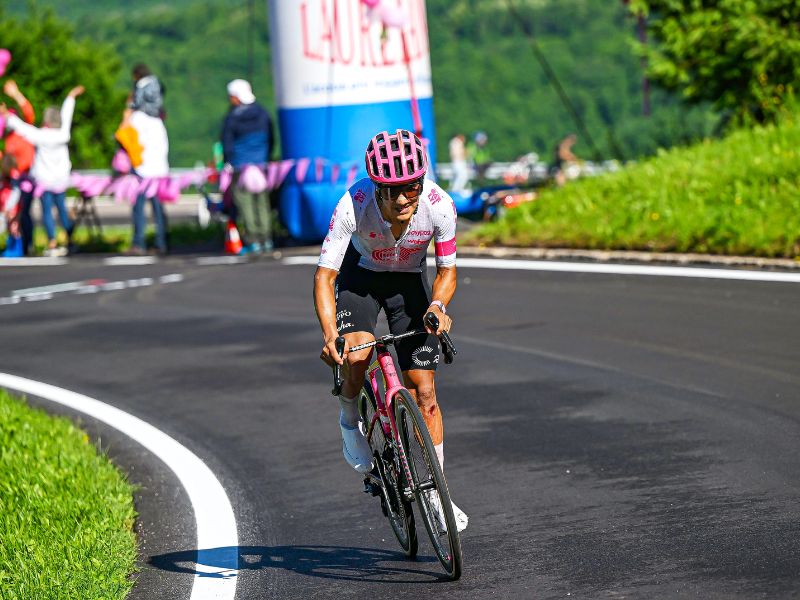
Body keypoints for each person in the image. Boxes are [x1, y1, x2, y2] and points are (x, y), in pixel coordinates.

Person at [313, 128, 468, 532]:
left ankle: (436, 495)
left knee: (426, 391)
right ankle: (350, 417)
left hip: (408, 283)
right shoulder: (353, 203)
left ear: (422, 181)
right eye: (390, 190)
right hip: (360, 281)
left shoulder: (439, 206)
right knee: (360, 351)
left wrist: (437, 305)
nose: (401, 198)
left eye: (410, 187)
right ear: (375, 186)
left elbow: (447, 272)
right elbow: (324, 277)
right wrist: (332, 336)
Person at [1, 85, 84, 257]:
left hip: (45, 181)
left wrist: (7, 116)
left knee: (47, 211)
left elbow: (22, 128)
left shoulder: (40, 136)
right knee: (61, 209)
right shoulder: (63, 135)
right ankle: (70, 240)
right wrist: (70, 97)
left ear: (46, 121)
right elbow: (67, 116)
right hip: (60, 180)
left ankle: (52, 242)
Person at [120, 69, 170, 256]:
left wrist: (126, 113)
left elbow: (124, 138)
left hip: (141, 171)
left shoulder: (137, 118)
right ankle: (161, 242)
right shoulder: (159, 120)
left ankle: (138, 243)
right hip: (159, 172)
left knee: (139, 208)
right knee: (158, 209)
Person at [221, 79, 274, 254]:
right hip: (261, 165)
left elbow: (227, 142)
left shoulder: (233, 117)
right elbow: (271, 137)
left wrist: (229, 160)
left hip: (240, 167)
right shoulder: (262, 113)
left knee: (246, 203)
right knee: (262, 202)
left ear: (236, 97)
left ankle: (253, 240)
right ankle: (266, 238)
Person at [2, 80, 36, 255]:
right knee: (10, 214)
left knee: (24, 214)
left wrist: (15, 94)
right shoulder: (6, 141)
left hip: (28, 178)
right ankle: (15, 245)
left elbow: (29, 112)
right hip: (13, 181)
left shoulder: (24, 131)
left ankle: (28, 244)